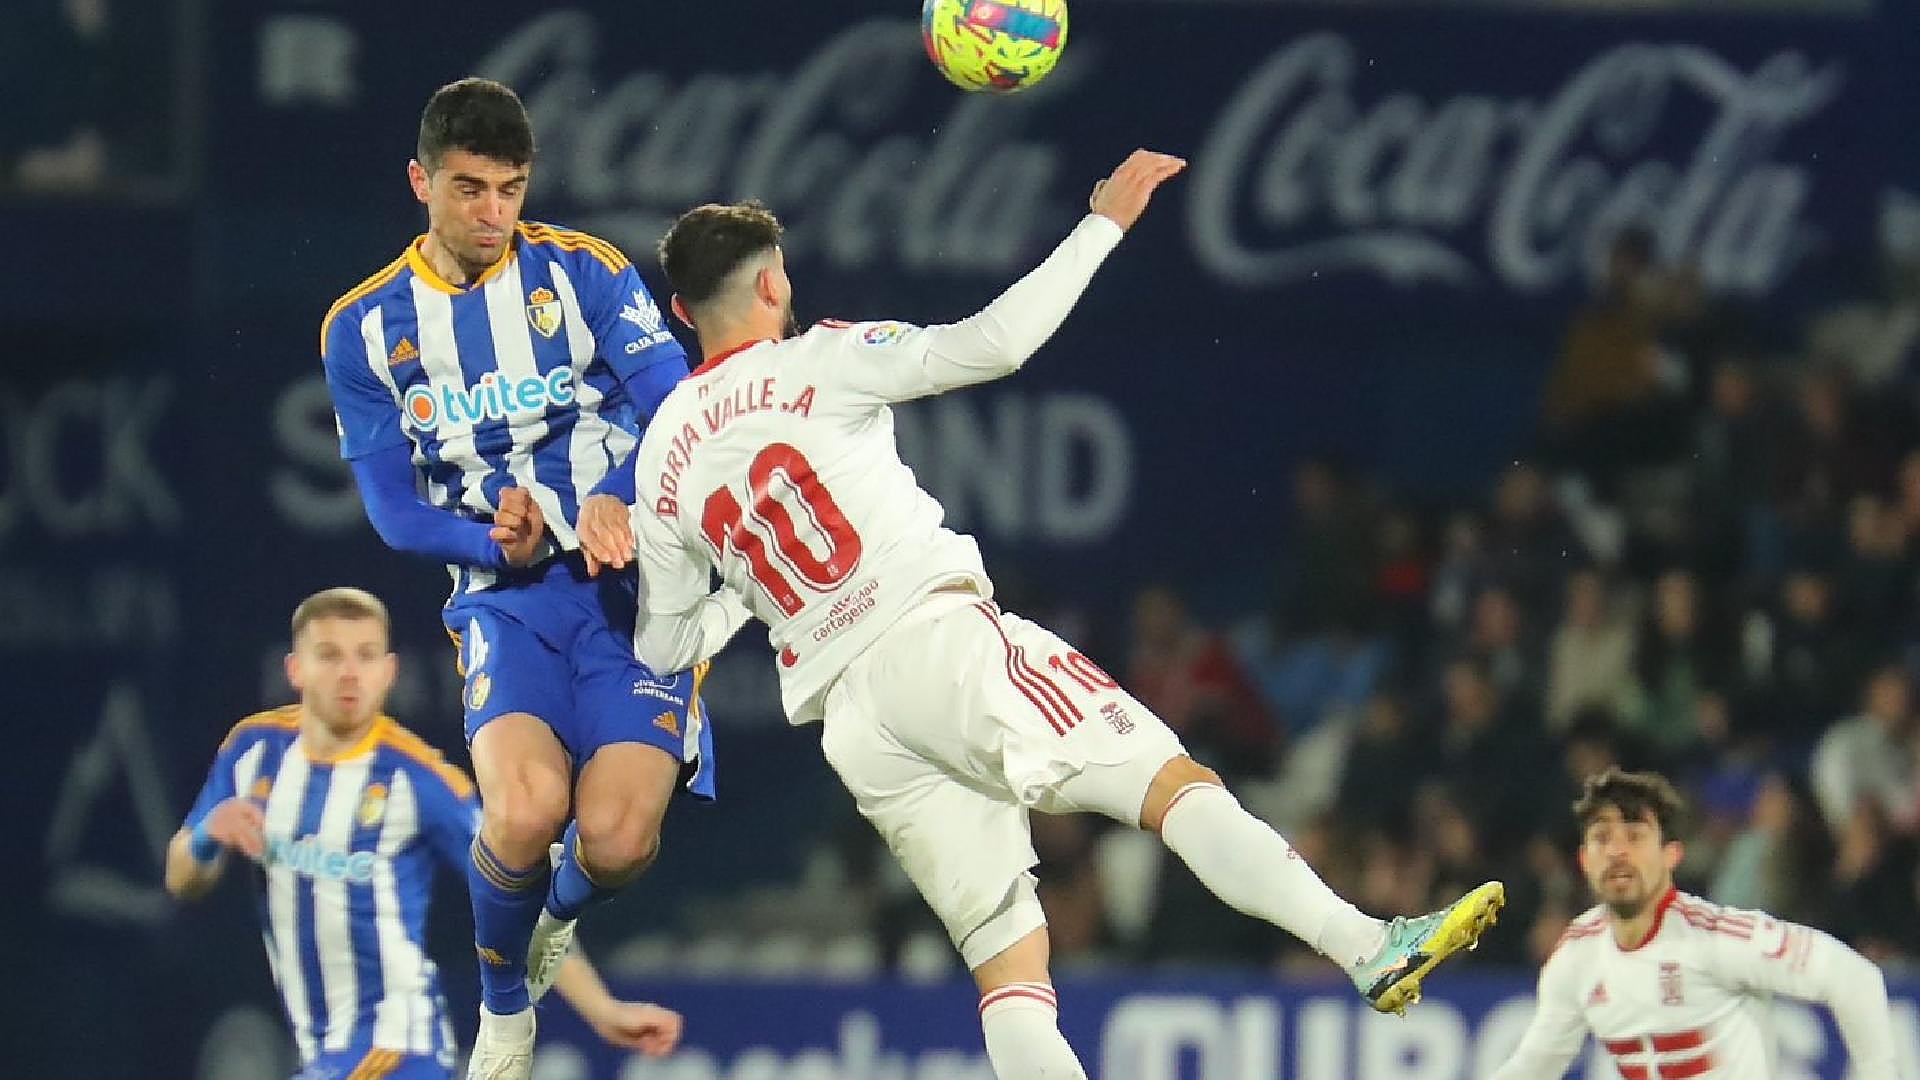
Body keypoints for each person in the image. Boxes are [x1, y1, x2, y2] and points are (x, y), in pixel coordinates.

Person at [589, 149, 1504, 1079]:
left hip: (856, 725)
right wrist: (1103, 221)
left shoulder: (662, 457)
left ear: (679, 313)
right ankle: (1364, 946)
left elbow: (666, 645)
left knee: (1011, 973)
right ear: (774, 281)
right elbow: (994, 343)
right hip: (938, 644)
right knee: (1174, 783)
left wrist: (748, 596)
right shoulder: (820, 357)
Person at [317, 78, 711, 1077]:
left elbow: (676, 401)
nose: (494, 214)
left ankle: (555, 925)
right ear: (422, 182)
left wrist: (614, 493)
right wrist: (502, 546)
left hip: (633, 586)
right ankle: (504, 1013)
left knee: (617, 840)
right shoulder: (364, 329)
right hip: (503, 599)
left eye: (511, 189)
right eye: (470, 189)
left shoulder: (583, 274)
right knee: (526, 813)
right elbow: (393, 511)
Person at [164, 588, 682, 1079]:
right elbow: (182, 878)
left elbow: (515, 894)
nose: (350, 674)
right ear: (295, 669)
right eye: (330, 655)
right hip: (324, 1051)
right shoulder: (252, 749)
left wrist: (601, 1008)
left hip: (400, 1048)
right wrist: (210, 834)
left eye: (366, 656)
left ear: (388, 671)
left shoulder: (416, 781)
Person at [1487, 767, 1899, 1080]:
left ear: (1671, 856)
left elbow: (1854, 978)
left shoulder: (1718, 939)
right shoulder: (1577, 955)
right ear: (1584, 861)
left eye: (1635, 837)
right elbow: (1537, 1063)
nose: (1617, 853)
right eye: (1601, 838)